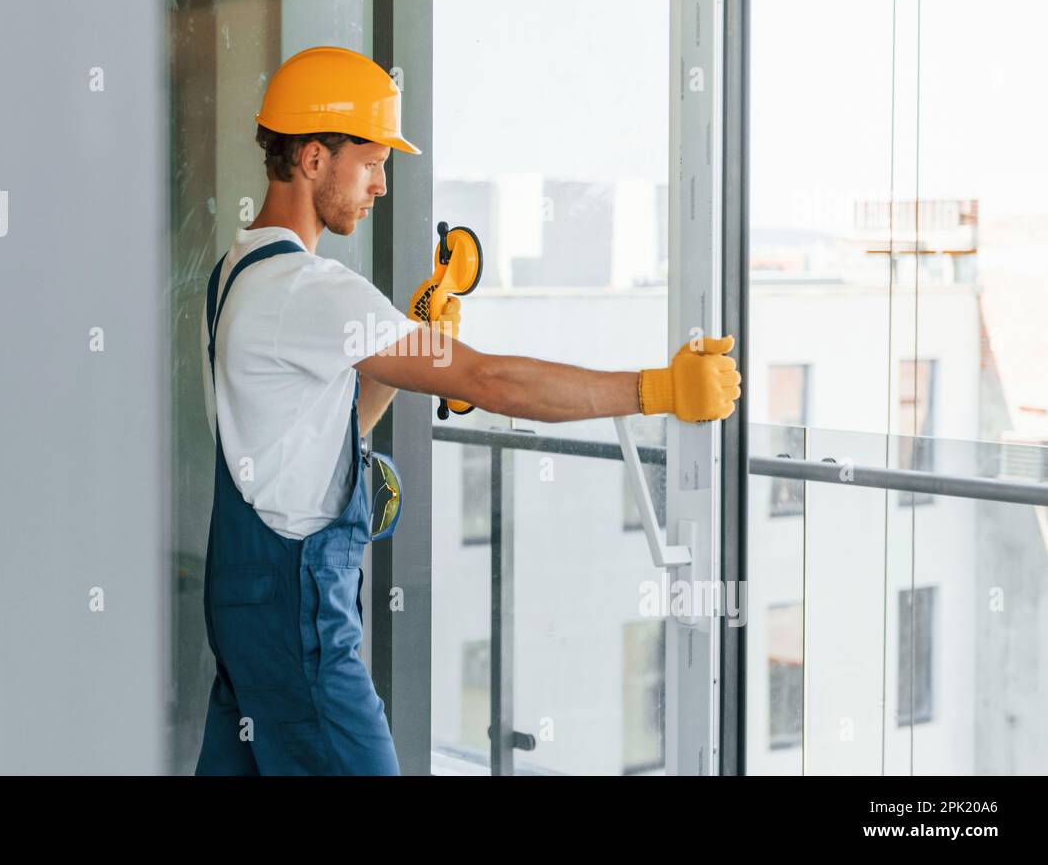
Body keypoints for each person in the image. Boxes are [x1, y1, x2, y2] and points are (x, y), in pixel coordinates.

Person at [195, 45, 741, 775]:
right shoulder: (309, 288)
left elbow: (316, 434)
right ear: (314, 159)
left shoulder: (237, 270)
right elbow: (492, 382)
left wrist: (417, 339)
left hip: (246, 608)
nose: (382, 185)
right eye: (371, 160)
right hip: (299, 624)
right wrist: (655, 390)